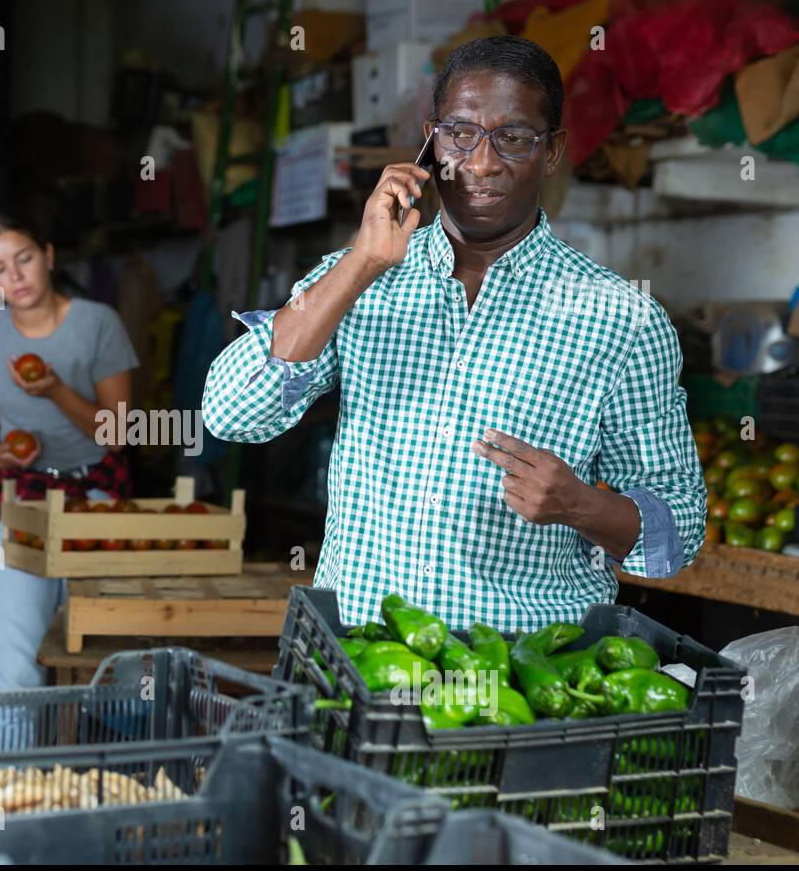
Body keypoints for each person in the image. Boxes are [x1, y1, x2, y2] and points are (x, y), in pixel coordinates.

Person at [202, 36, 705, 632]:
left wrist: (579, 503)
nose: (483, 163)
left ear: (552, 152)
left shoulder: (621, 318)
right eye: (460, 133)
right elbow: (231, 413)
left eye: (514, 138)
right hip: (362, 660)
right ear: (430, 140)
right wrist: (361, 264)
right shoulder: (357, 279)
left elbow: (679, 533)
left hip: (516, 684)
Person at [0, 214, 139, 690]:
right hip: (23, 500)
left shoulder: (98, 323)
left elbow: (117, 433)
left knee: (104, 663)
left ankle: (103, 763)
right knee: (15, 665)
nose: (14, 277)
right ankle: (14, 767)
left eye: (25, 259)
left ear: (49, 255)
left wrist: (56, 391)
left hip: (96, 496)